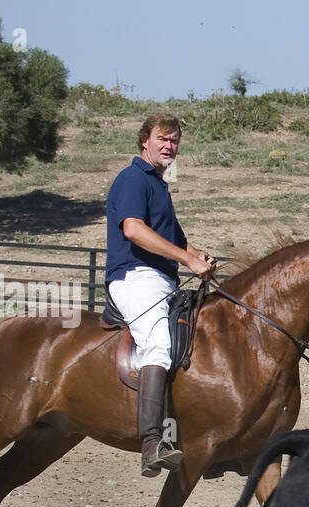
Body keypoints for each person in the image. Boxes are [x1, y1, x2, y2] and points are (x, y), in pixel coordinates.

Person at [105, 112, 216, 477]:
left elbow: (174, 237)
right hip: (136, 276)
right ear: (145, 141)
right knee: (157, 343)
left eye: (174, 141)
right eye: (163, 139)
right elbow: (134, 230)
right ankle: (152, 443)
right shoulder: (132, 179)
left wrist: (195, 254)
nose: (169, 146)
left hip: (163, 279)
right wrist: (186, 258)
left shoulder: (159, 184)